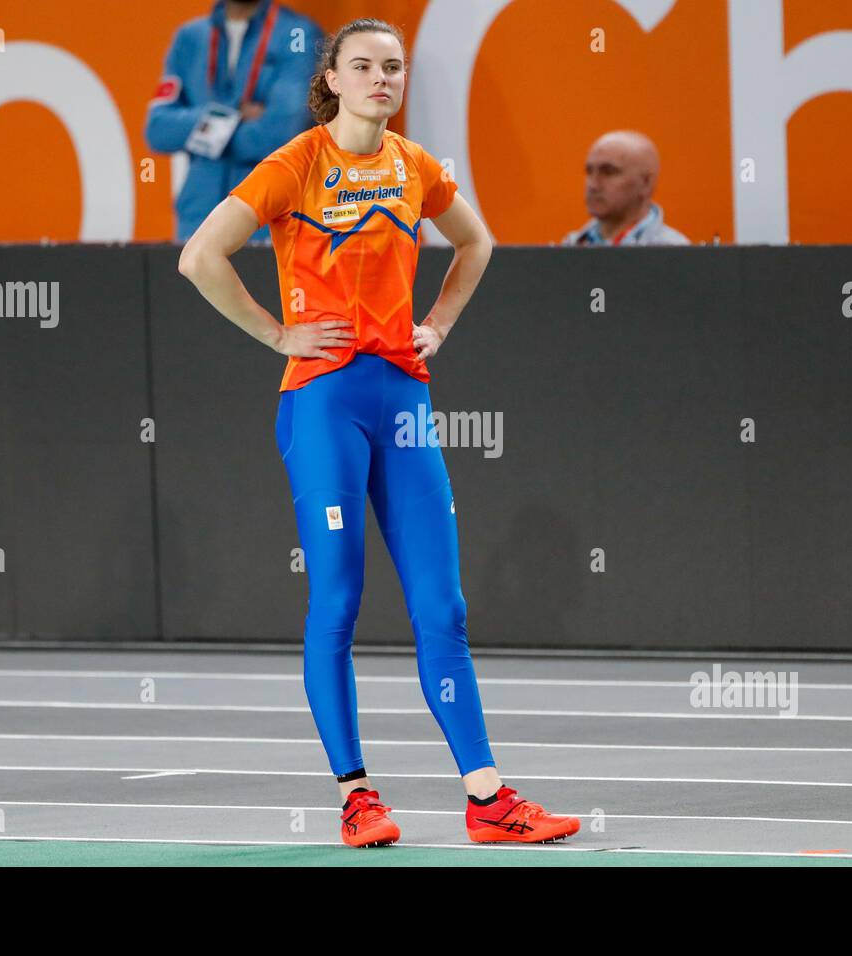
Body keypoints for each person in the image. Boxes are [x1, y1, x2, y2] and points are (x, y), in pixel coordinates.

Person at [178, 17, 581, 848]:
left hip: (402, 401)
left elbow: (476, 242)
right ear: (331, 79)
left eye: (392, 67)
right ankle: (357, 796)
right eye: (362, 66)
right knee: (338, 600)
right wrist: (277, 334)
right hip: (323, 402)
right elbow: (200, 256)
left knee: (443, 606)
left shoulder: (414, 165)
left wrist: (439, 323)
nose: (380, 79)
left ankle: (487, 799)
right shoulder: (295, 164)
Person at [145, 0, 323, 242]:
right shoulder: (189, 37)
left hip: (269, 224)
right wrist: (235, 113)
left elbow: (283, 134)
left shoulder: (298, 34)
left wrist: (202, 132)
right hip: (197, 226)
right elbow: (158, 130)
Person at [560, 130, 691, 246]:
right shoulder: (569, 248)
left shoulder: (677, 255)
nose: (593, 185)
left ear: (646, 183)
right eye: (589, 171)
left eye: (609, 172)